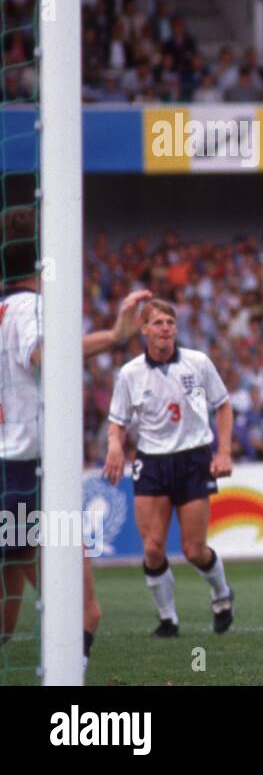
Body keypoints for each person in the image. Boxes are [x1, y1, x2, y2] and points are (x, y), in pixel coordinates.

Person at [0, 206, 152, 667]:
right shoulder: (31, 308)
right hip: (35, 473)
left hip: (12, 472)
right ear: (45, 262)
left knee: (7, 624)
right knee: (82, 612)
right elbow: (44, 354)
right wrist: (114, 335)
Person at [104, 299, 236, 638]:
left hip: (193, 458)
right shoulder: (131, 374)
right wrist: (115, 447)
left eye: (170, 323)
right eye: (158, 323)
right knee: (152, 547)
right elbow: (117, 421)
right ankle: (168, 619)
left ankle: (222, 594)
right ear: (144, 329)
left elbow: (223, 406)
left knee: (194, 550)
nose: (165, 328)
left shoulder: (198, 363)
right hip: (151, 462)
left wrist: (223, 451)